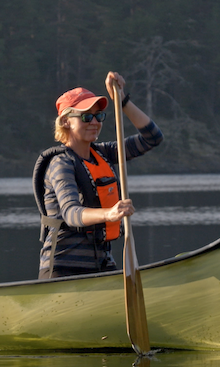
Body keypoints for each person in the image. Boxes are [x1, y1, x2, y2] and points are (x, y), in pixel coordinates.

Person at [34, 72, 163, 279]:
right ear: (66, 121)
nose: (95, 121)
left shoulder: (105, 153)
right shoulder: (61, 163)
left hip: (102, 264)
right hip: (64, 267)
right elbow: (71, 213)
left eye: (99, 115)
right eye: (86, 116)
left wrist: (122, 100)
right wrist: (109, 214)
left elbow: (152, 137)